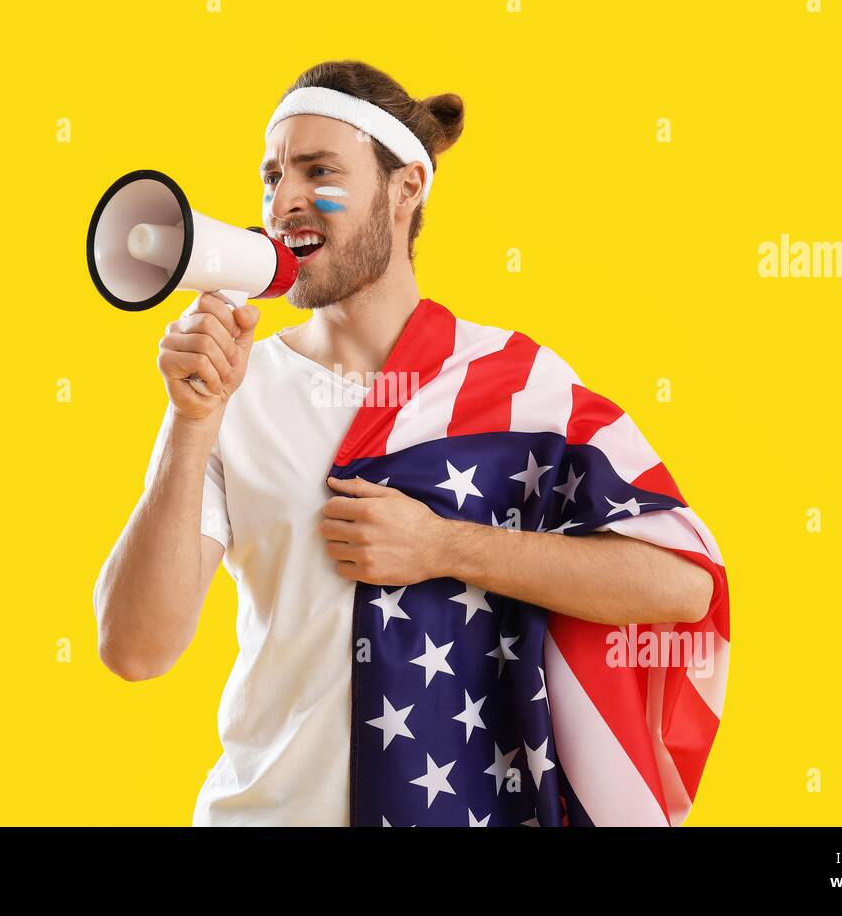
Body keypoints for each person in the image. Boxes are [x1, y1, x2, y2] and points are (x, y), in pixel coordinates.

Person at [93, 60, 718, 826]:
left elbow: (682, 587)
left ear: (406, 186)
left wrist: (445, 548)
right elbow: (135, 649)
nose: (284, 200)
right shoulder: (234, 389)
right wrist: (191, 423)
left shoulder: (516, 384)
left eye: (319, 171)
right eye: (272, 175)